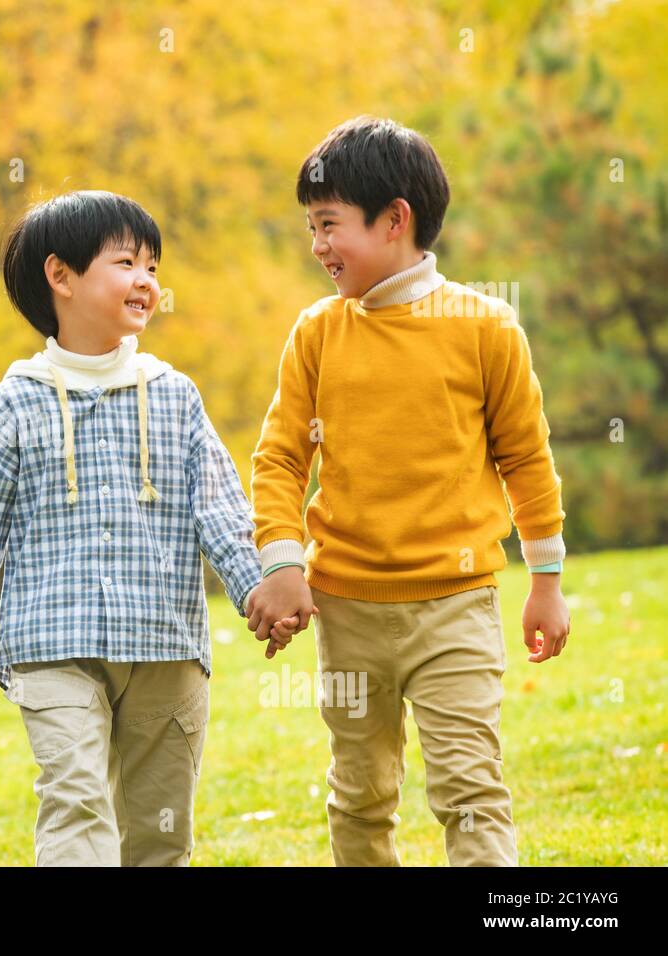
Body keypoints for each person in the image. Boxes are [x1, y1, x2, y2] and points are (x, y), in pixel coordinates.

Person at [250, 116, 572, 866]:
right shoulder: (316, 334)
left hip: (455, 607)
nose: (317, 245)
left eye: (329, 224)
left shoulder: (484, 327)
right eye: (310, 226)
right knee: (359, 794)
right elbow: (279, 460)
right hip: (349, 611)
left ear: (395, 219)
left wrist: (546, 581)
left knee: (470, 788)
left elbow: (526, 456)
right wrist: (281, 560)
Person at [0, 190, 293, 866]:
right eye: (127, 262)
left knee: (160, 830)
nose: (146, 282)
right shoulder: (18, 398)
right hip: (53, 645)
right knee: (75, 801)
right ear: (61, 276)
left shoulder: (174, 394)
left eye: (154, 268)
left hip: (165, 644)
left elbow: (218, 506)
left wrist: (261, 588)